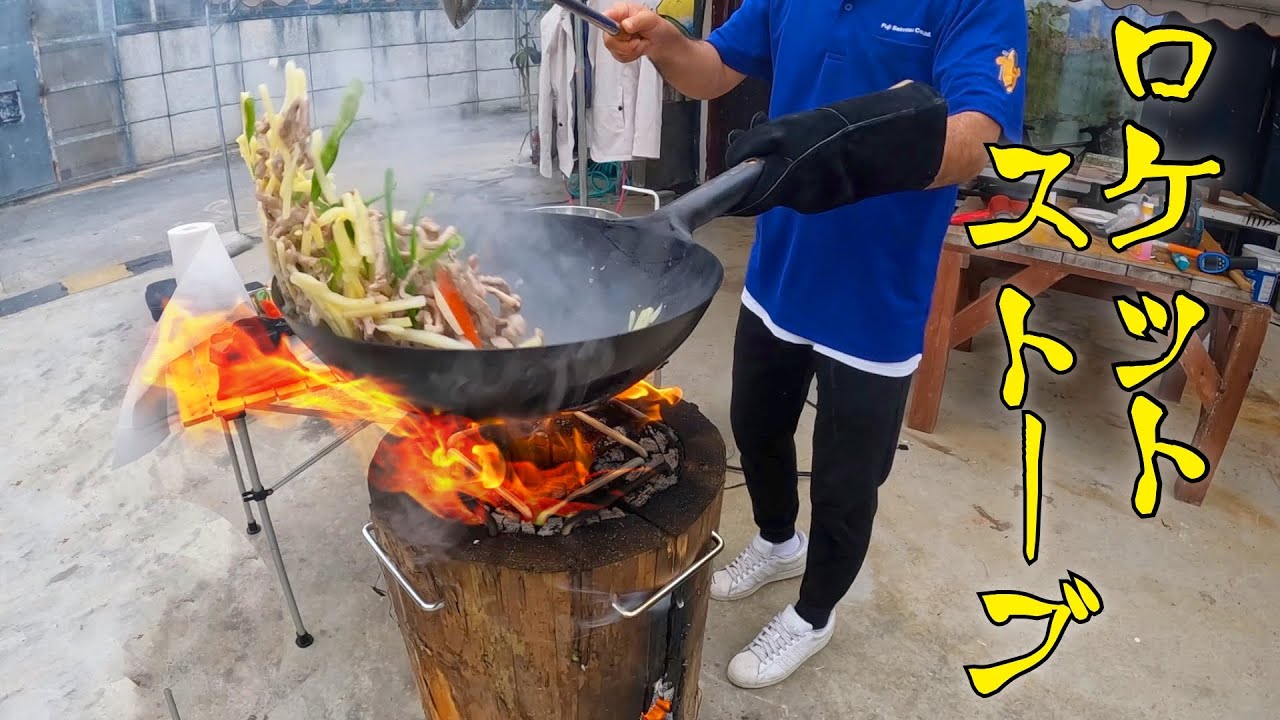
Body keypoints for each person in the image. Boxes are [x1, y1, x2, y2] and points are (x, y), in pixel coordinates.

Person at [602, 0, 1028, 689]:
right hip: (782, 267)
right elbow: (713, 71)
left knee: (846, 478)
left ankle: (814, 612)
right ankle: (777, 542)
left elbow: (977, 136)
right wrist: (663, 43)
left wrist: (842, 150)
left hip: (877, 292)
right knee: (757, 427)